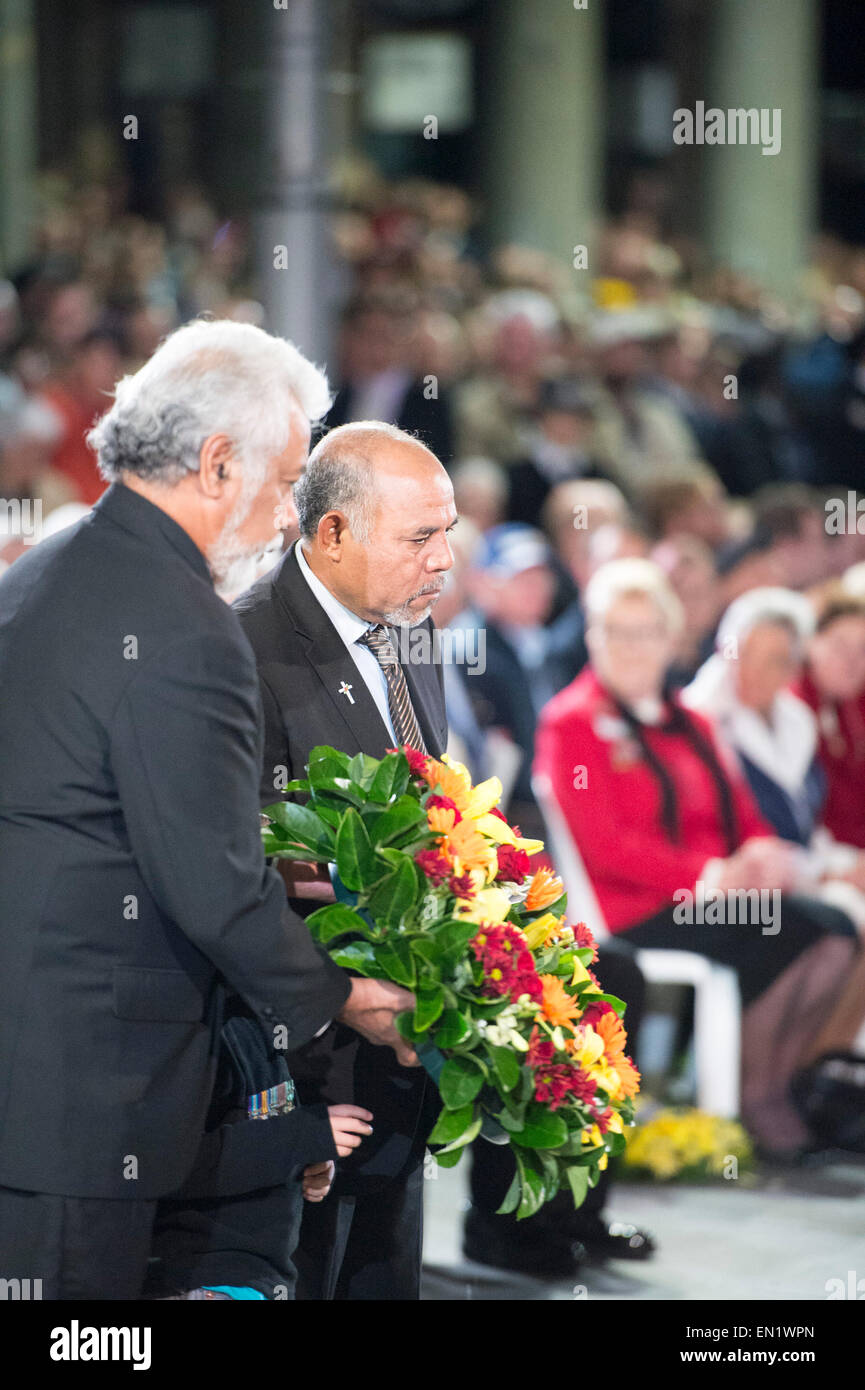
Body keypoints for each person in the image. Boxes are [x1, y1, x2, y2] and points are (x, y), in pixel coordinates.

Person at [0, 319, 414, 1300]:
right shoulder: (188, 625)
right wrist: (343, 996)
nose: (285, 520)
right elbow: (211, 886)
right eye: (283, 486)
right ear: (218, 464)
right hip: (91, 1088)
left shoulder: (42, 572)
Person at [535, 558, 861, 1156]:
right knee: (797, 929)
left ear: (669, 637)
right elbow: (604, 846)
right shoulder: (572, 723)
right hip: (641, 908)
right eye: (617, 631)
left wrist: (762, 851)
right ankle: (752, 1094)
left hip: (714, 896)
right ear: (592, 637)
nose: (633, 647)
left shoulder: (691, 721)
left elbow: (744, 811)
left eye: (646, 631)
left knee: (835, 931)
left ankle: (774, 1083)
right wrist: (712, 874)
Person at [233, 420, 454, 1301]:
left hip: (403, 1052)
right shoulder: (244, 650)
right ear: (330, 535)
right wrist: (340, 1000)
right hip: (305, 1063)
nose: (443, 561)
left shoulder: (406, 629)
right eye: (419, 538)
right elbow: (240, 866)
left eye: (448, 533)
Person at [683, 588, 865, 931]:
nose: (761, 672)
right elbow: (736, 833)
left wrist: (846, 863)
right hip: (743, 882)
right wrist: (827, 872)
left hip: (804, 869)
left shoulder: (796, 721)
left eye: (780, 661)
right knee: (848, 918)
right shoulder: (699, 722)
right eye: (750, 655)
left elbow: (809, 825)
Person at [795, 592, 865, 850]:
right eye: (840, 646)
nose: (853, 661)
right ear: (810, 643)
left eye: (863, 649)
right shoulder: (793, 707)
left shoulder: (853, 704)